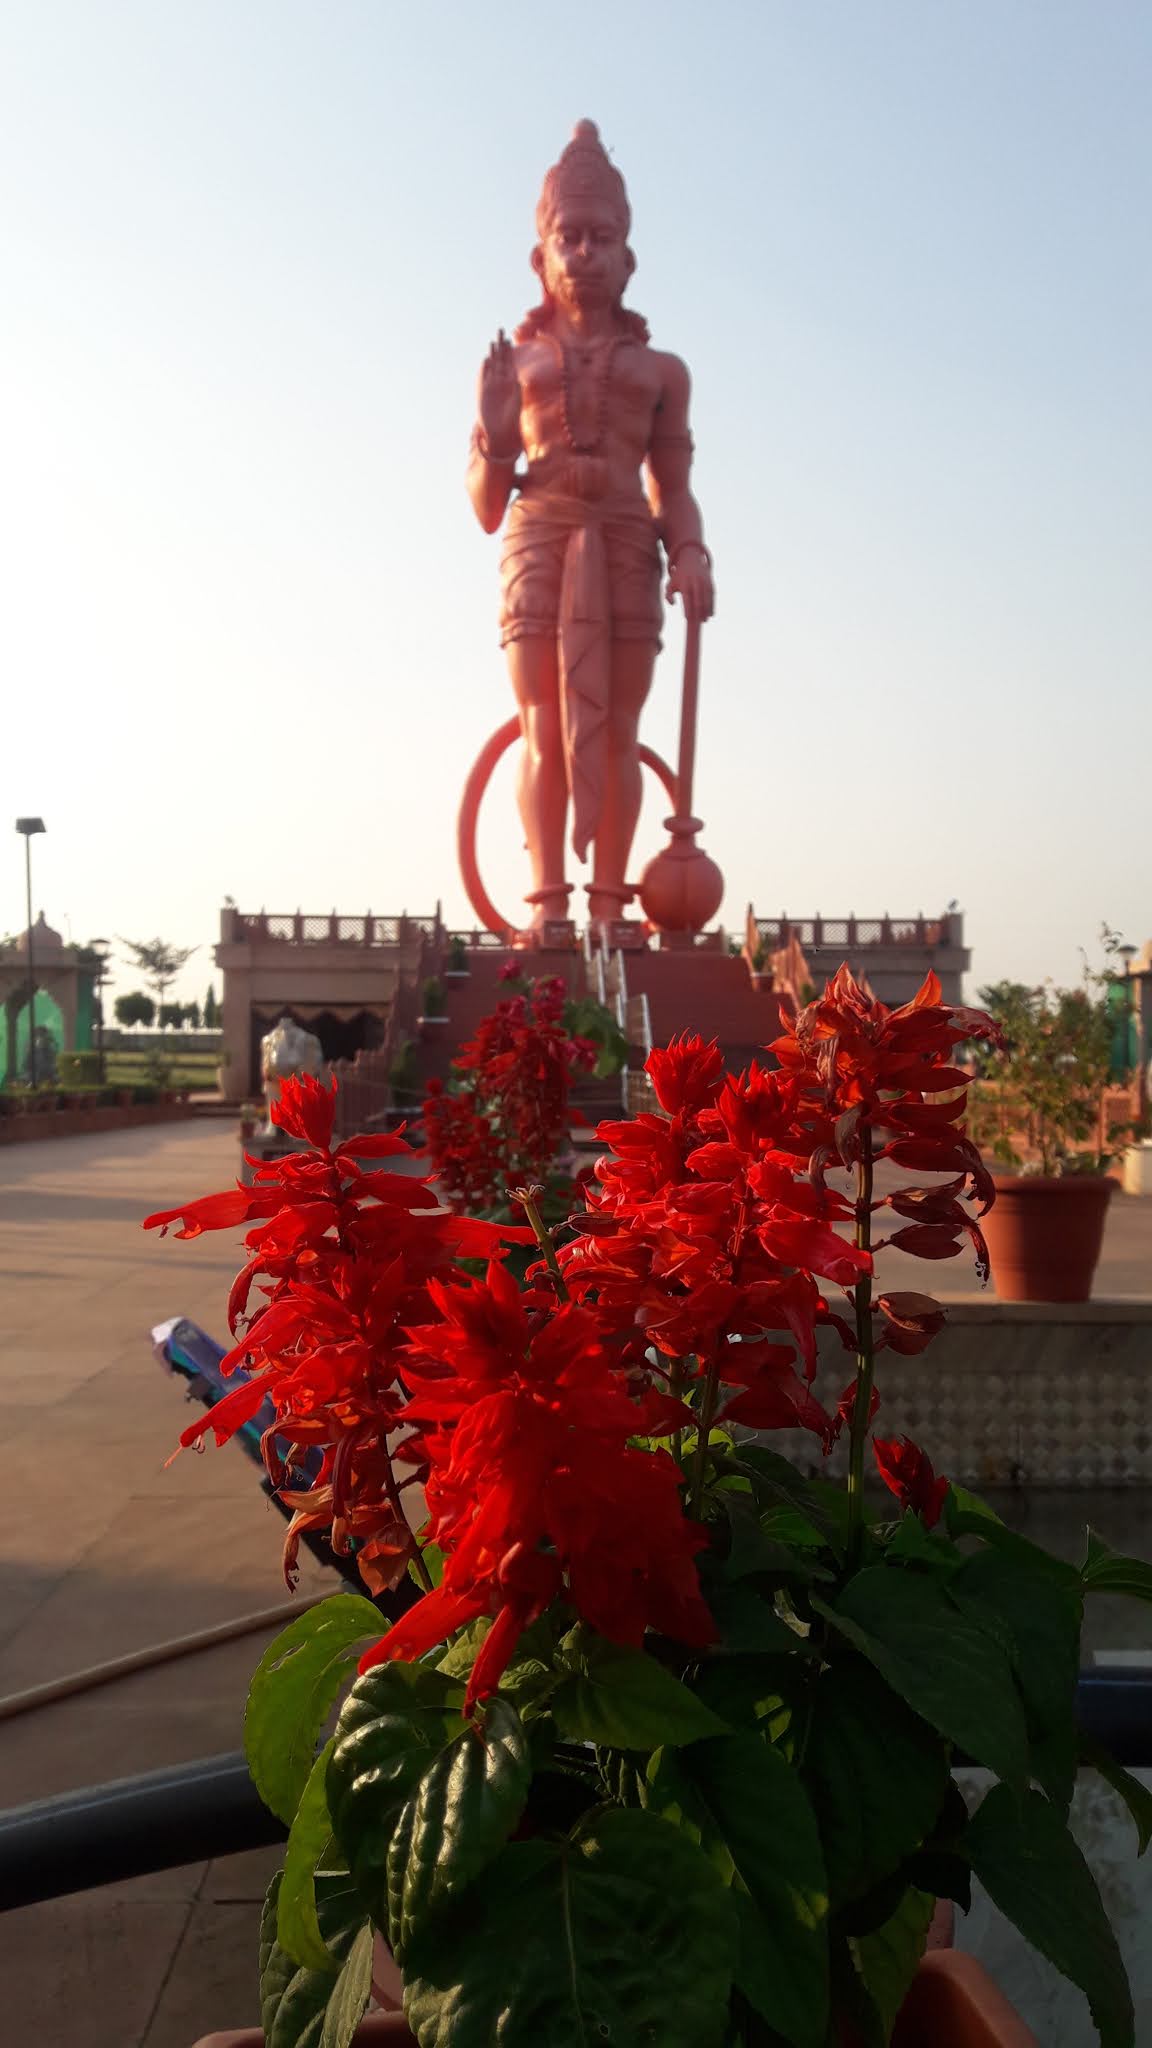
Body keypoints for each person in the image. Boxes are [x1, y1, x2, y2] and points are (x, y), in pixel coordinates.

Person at [467, 120, 714, 931]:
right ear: (541, 256)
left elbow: (671, 486)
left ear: (628, 257)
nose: (584, 251)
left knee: (619, 728)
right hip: (539, 533)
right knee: (544, 721)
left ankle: (609, 907)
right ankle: (547, 906)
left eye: (602, 237)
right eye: (568, 236)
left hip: (624, 538)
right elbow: (484, 506)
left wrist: (690, 551)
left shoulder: (660, 372)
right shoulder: (517, 367)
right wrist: (498, 437)